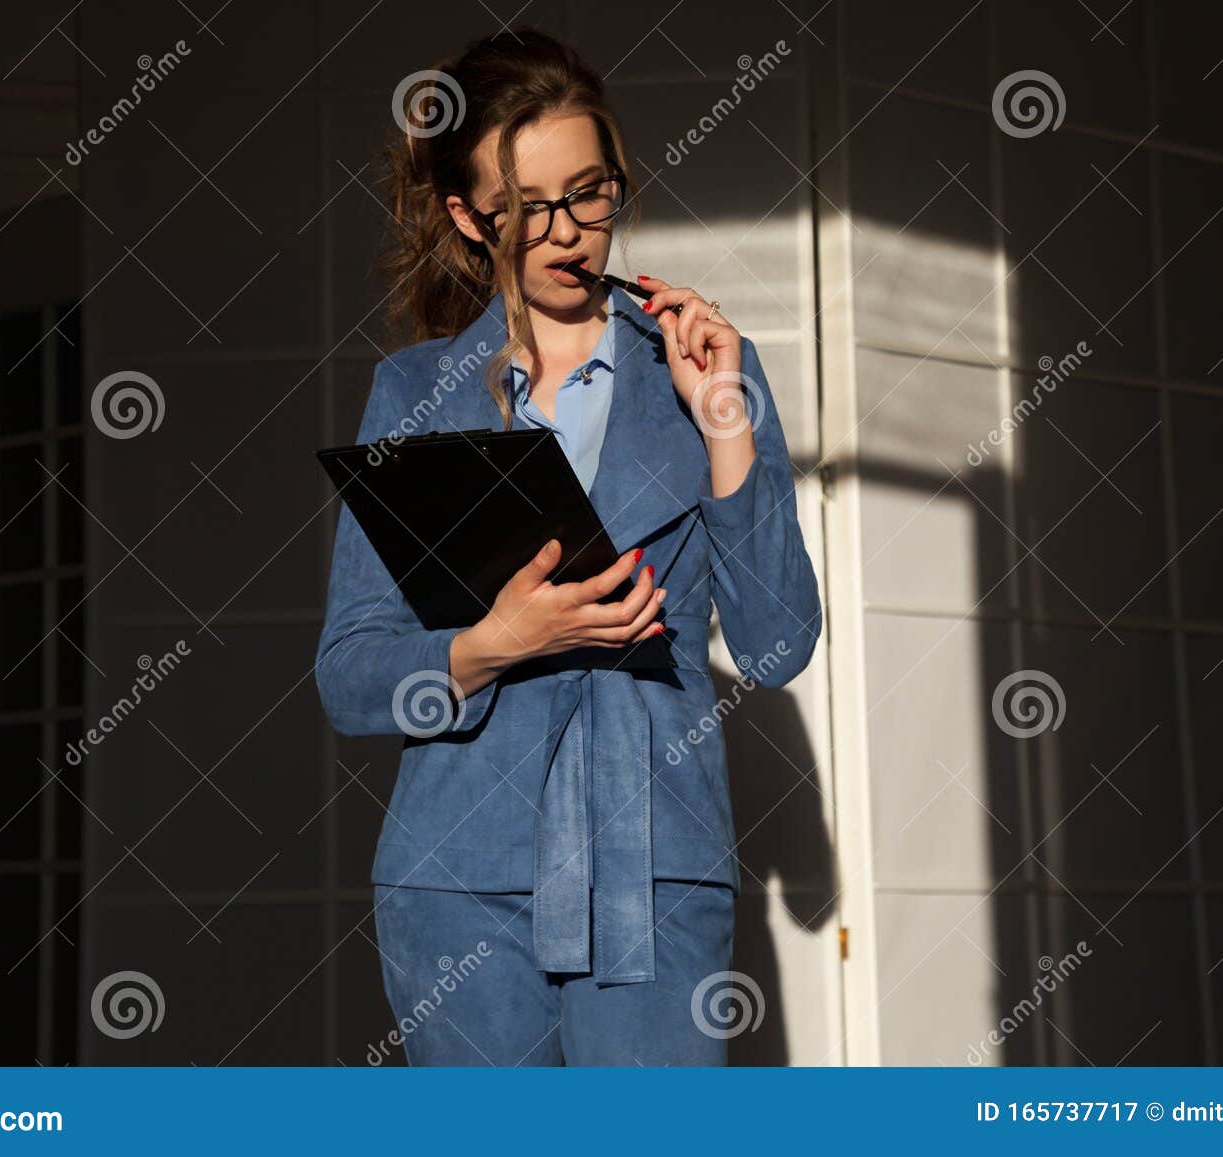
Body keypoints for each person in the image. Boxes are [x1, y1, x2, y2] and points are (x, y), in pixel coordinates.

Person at [314, 27, 820, 1065]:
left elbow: (774, 647)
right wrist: (492, 642)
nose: (567, 233)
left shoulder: (703, 365)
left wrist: (723, 423)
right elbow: (350, 676)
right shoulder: (414, 394)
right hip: (457, 880)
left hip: (654, 868)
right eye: (525, 209)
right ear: (467, 215)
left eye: (589, 193)